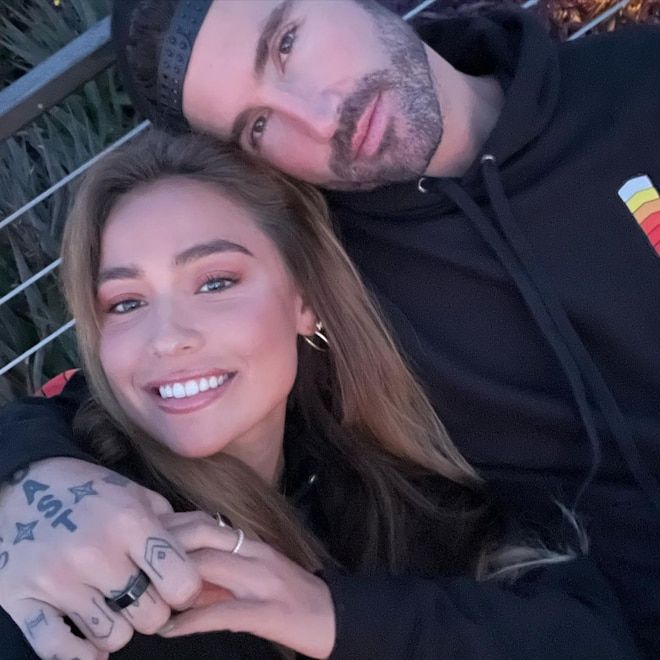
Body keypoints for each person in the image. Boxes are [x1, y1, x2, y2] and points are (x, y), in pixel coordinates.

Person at [0, 0, 658, 654]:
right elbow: (157, 372)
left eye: (286, 43)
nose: (317, 118)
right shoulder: (331, 272)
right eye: (258, 126)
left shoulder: (636, 83)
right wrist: (26, 478)